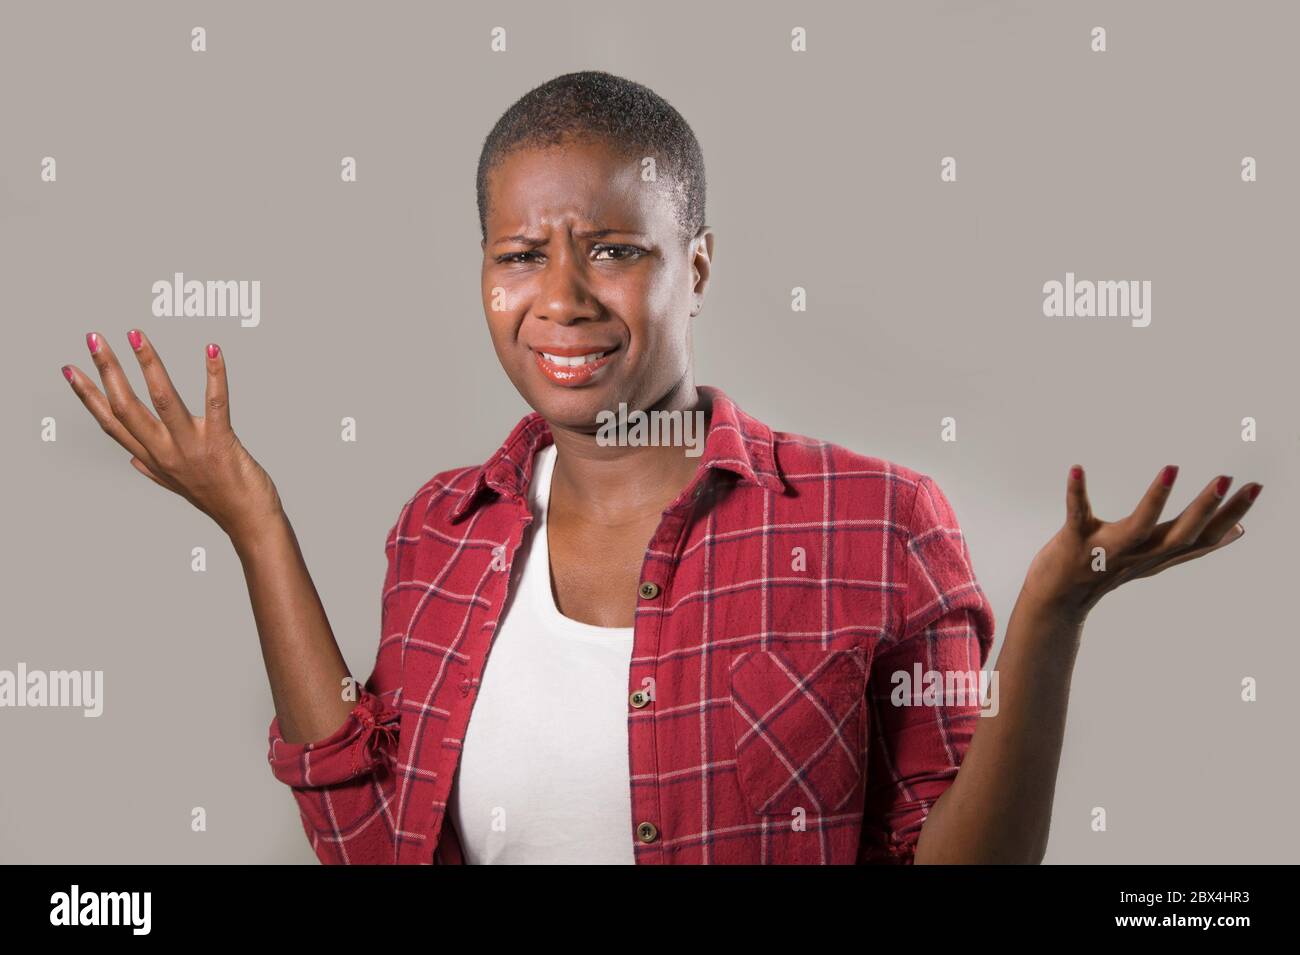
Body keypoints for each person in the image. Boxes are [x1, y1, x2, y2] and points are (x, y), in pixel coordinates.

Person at [60, 71, 1262, 865]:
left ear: (695, 267)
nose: (563, 297)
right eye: (521, 252)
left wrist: (1051, 613)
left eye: (617, 249)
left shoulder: (876, 521)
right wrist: (254, 522)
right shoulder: (442, 527)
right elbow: (368, 842)